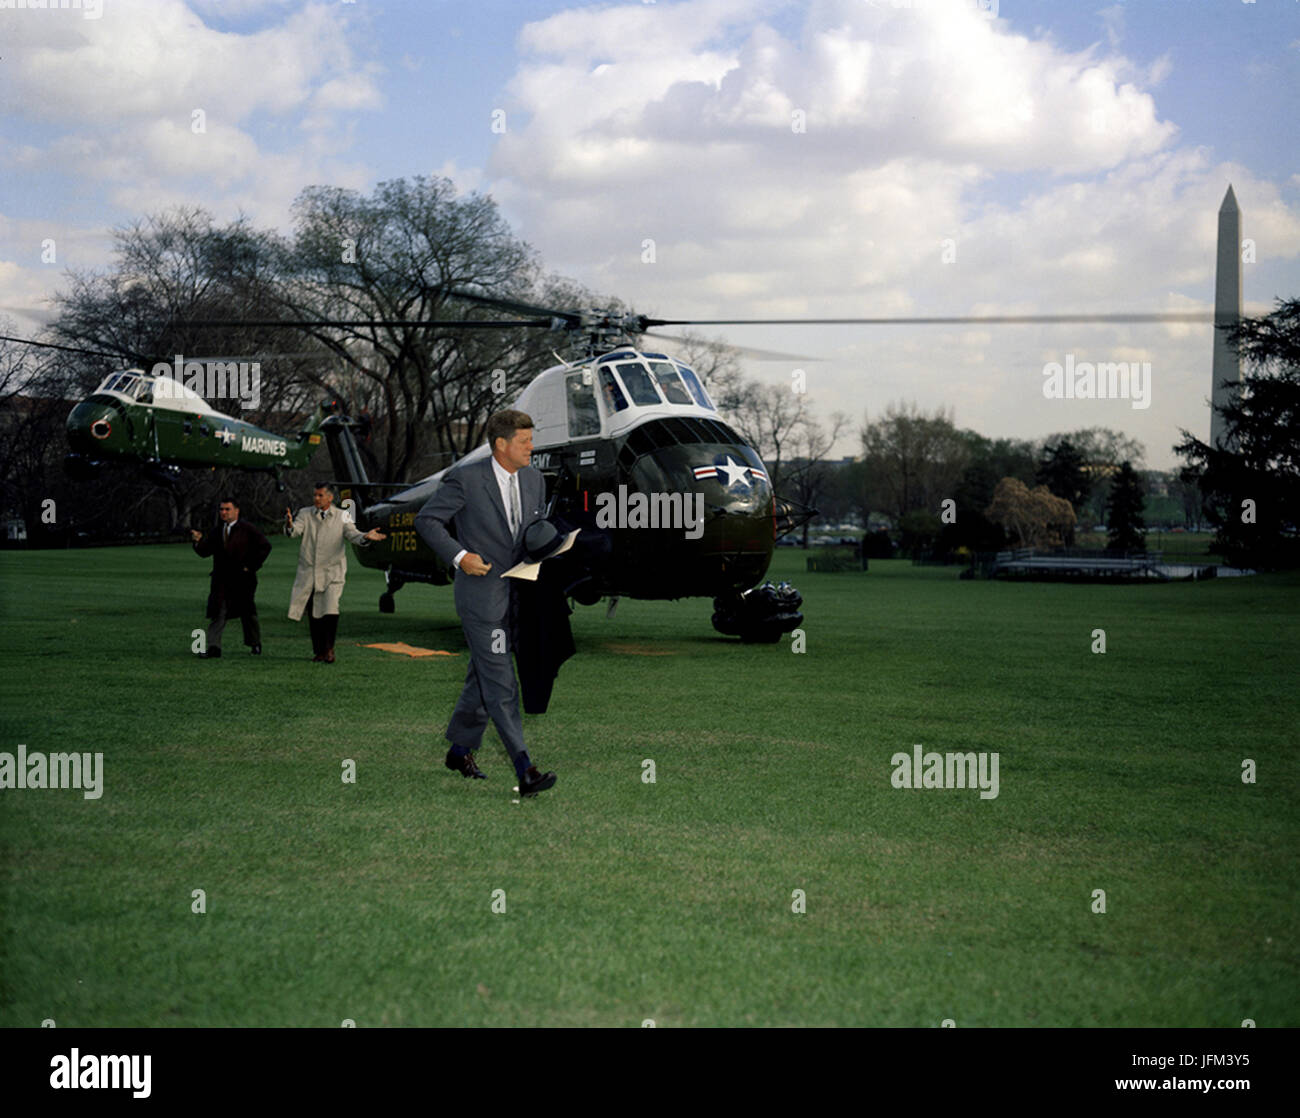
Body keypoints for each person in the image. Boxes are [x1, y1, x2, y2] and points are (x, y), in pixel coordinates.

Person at [414, 410, 557, 797]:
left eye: (531, 439)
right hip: (481, 600)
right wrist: (461, 557)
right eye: (525, 441)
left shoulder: (535, 479)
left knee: (482, 675)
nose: (532, 447)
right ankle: (525, 769)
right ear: (501, 445)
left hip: (519, 596)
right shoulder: (466, 478)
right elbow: (427, 521)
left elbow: (528, 535)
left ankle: (459, 751)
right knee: (500, 679)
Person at [285, 482, 385, 662]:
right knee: (315, 614)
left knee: (330, 608)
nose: (316, 498)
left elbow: (352, 534)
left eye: (320, 495)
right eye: (315, 495)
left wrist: (365, 536)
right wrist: (290, 524)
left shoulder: (343, 515)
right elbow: (295, 532)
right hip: (310, 573)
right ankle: (319, 651)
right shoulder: (305, 514)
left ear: (330, 498)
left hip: (333, 573)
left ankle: (329, 650)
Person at [191, 496, 271, 658]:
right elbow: (205, 552)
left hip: (243, 579)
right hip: (221, 579)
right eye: (221, 509)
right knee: (217, 612)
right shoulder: (217, 530)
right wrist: (198, 542)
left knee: (248, 613)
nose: (223, 512)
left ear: (236, 510)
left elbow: (265, 546)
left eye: (227, 509)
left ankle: (255, 643)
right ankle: (214, 648)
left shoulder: (248, 529)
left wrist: (251, 566)